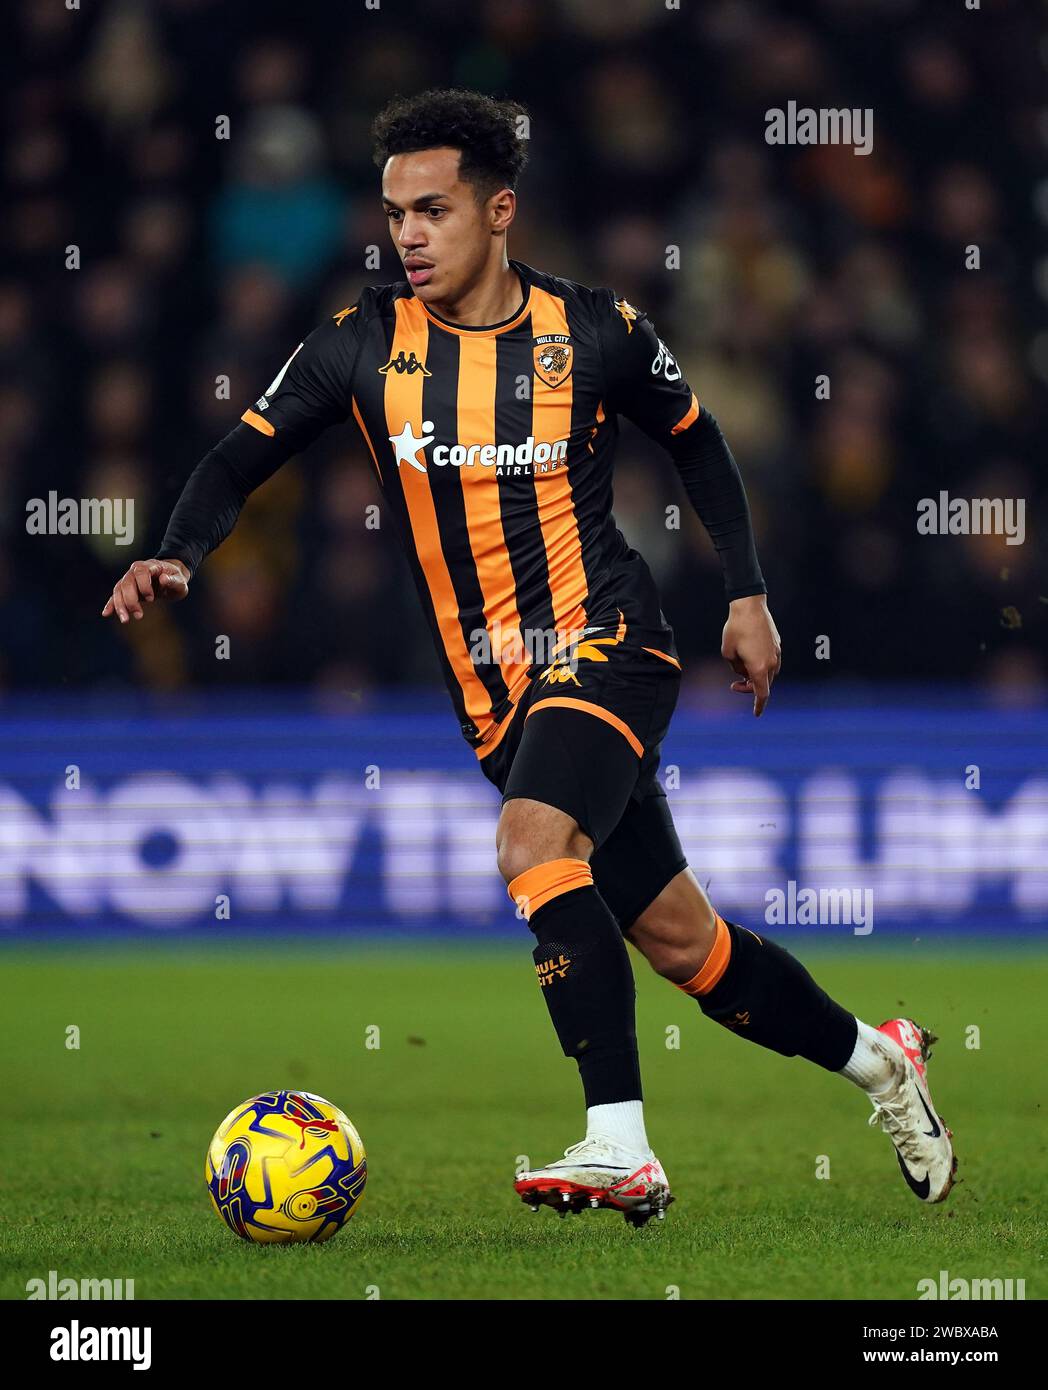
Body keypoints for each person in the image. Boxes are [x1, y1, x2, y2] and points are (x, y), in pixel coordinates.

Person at [103, 88, 955, 1225]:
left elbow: (700, 446)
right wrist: (177, 554)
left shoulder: (594, 330)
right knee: (683, 944)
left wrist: (746, 594)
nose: (407, 233)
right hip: (494, 702)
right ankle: (882, 1064)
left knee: (529, 843)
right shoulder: (357, 349)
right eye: (396, 211)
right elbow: (231, 464)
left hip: (607, 643)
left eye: (435, 210)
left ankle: (620, 1146)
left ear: (498, 212)